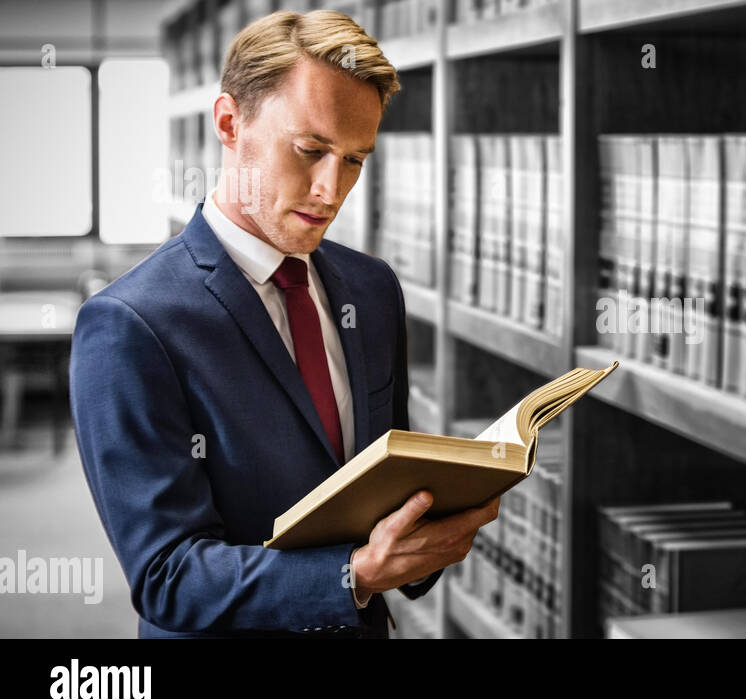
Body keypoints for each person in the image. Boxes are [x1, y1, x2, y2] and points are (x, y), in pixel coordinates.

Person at [69, 9, 496, 638]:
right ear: (229, 123)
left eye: (354, 160)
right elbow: (166, 576)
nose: (331, 190)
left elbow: (384, 476)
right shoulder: (130, 326)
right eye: (310, 151)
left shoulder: (373, 289)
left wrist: (432, 525)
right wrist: (351, 576)